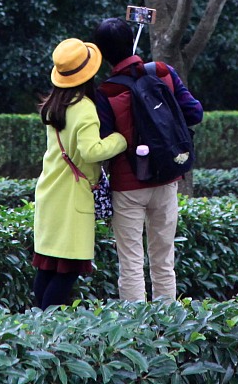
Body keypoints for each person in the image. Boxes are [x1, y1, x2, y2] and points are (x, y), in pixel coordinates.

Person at [92, 17, 204, 303]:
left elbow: (106, 142)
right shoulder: (164, 73)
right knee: (163, 259)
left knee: (130, 262)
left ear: (101, 53)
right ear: (132, 41)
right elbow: (195, 113)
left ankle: (136, 326)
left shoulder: (106, 92)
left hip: (128, 186)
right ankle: (168, 322)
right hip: (167, 178)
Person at [32, 37, 127, 309]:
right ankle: (46, 324)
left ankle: (33, 321)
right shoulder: (84, 107)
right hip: (73, 198)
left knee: (48, 265)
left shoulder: (54, 103)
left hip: (50, 191)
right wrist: (120, 139)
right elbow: (91, 151)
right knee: (69, 268)